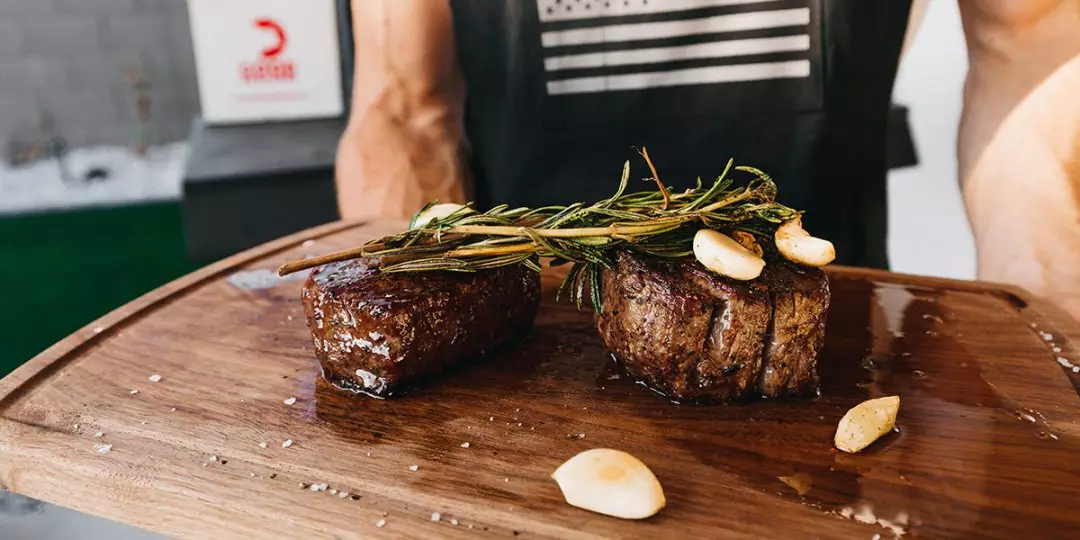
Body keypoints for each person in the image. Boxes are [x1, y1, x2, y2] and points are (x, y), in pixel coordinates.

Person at [335, 0, 1080, 322]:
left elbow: (1036, 52)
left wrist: (1056, 344)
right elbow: (403, 111)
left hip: (831, 330)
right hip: (529, 324)